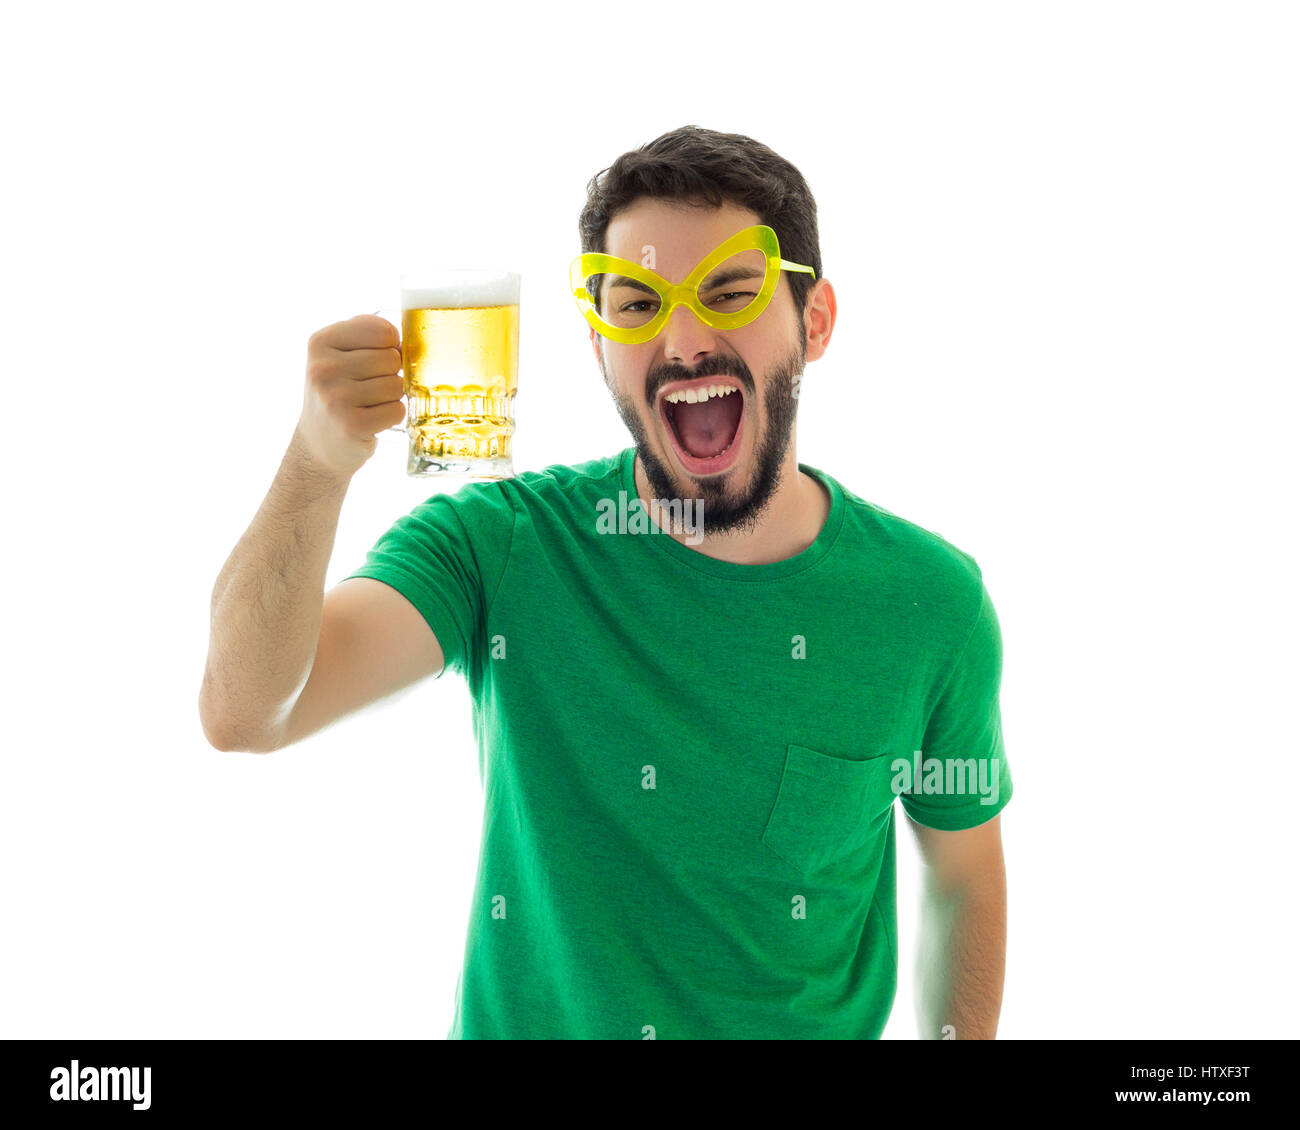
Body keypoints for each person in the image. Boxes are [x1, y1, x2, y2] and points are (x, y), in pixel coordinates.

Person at [199, 125, 1012, 1040]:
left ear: (813, 322)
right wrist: (316, 462)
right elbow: (246, 712)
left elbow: (961, 873)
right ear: (598, 342)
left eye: (731, 293)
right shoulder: (499, 548)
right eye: (636, 304)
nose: (686, 339)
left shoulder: (930, 604)